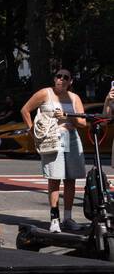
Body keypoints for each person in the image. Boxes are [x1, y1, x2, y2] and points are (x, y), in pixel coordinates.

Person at [21, 69, 89, 233]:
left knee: (71, 179)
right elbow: (25, 110)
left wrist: (67, 116)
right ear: (54, 79)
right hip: (52, 139)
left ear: (70, 81)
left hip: (71, 138)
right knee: (54, 178)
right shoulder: (46, 93)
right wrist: (33, 132)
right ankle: (54, 219)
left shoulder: (74, 98)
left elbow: (83, 122)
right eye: (59, 76)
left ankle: (68, 218)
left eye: (66, 77)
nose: (62, 79)